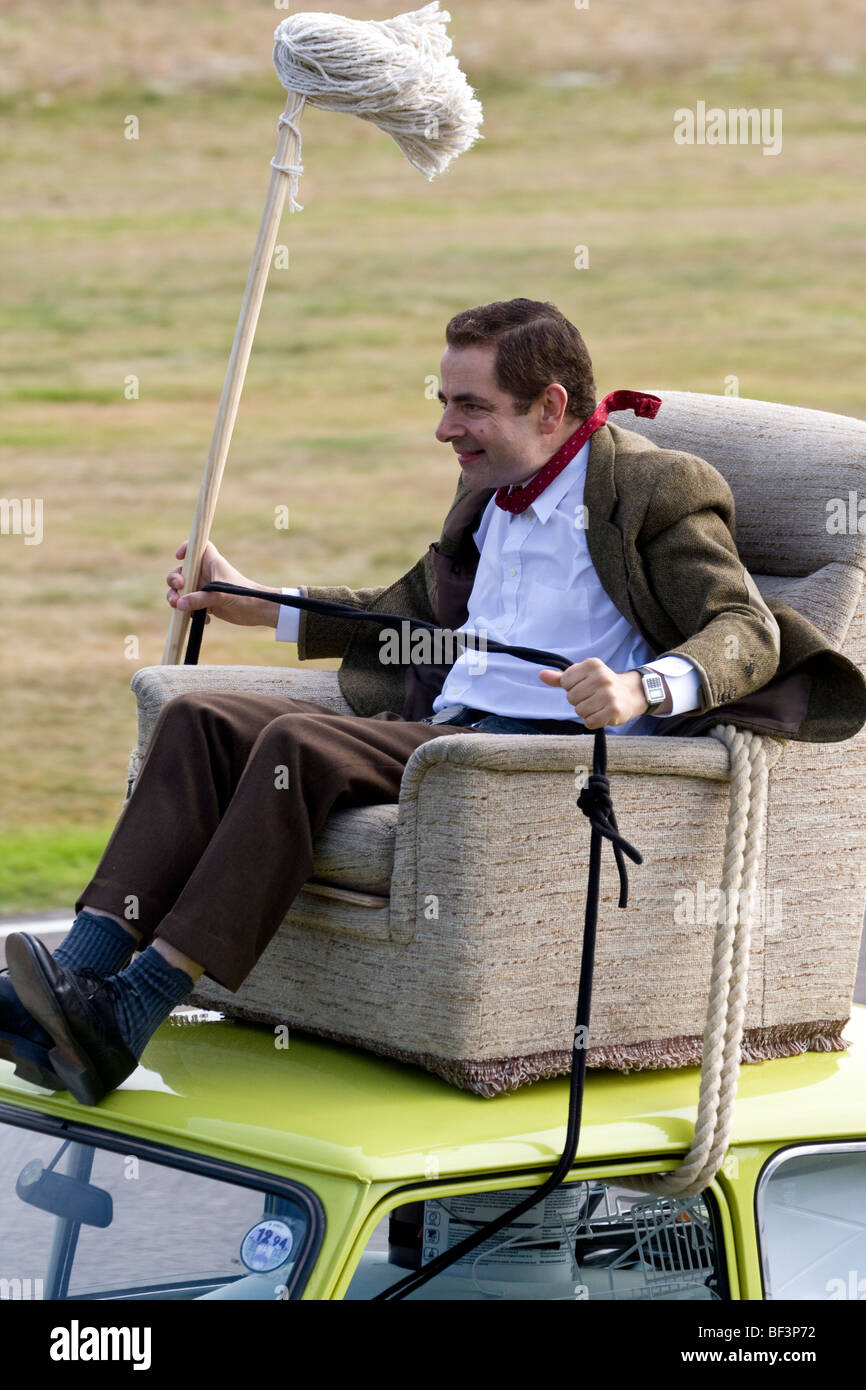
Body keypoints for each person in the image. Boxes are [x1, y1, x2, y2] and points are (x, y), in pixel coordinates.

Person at [3, 298, 863, 1106]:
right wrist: (257, 600)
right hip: (447, 726)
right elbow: (403, 610)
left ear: (550, 405)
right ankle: (72, 981)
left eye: (469, 406)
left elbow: (745, 628)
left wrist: (642, 685)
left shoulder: (653, 489)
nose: (445, 427)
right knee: (202, 718)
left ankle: (130, 1013)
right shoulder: (488, 489)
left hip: (536, 756)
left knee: (301, 746)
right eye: (446, 402)